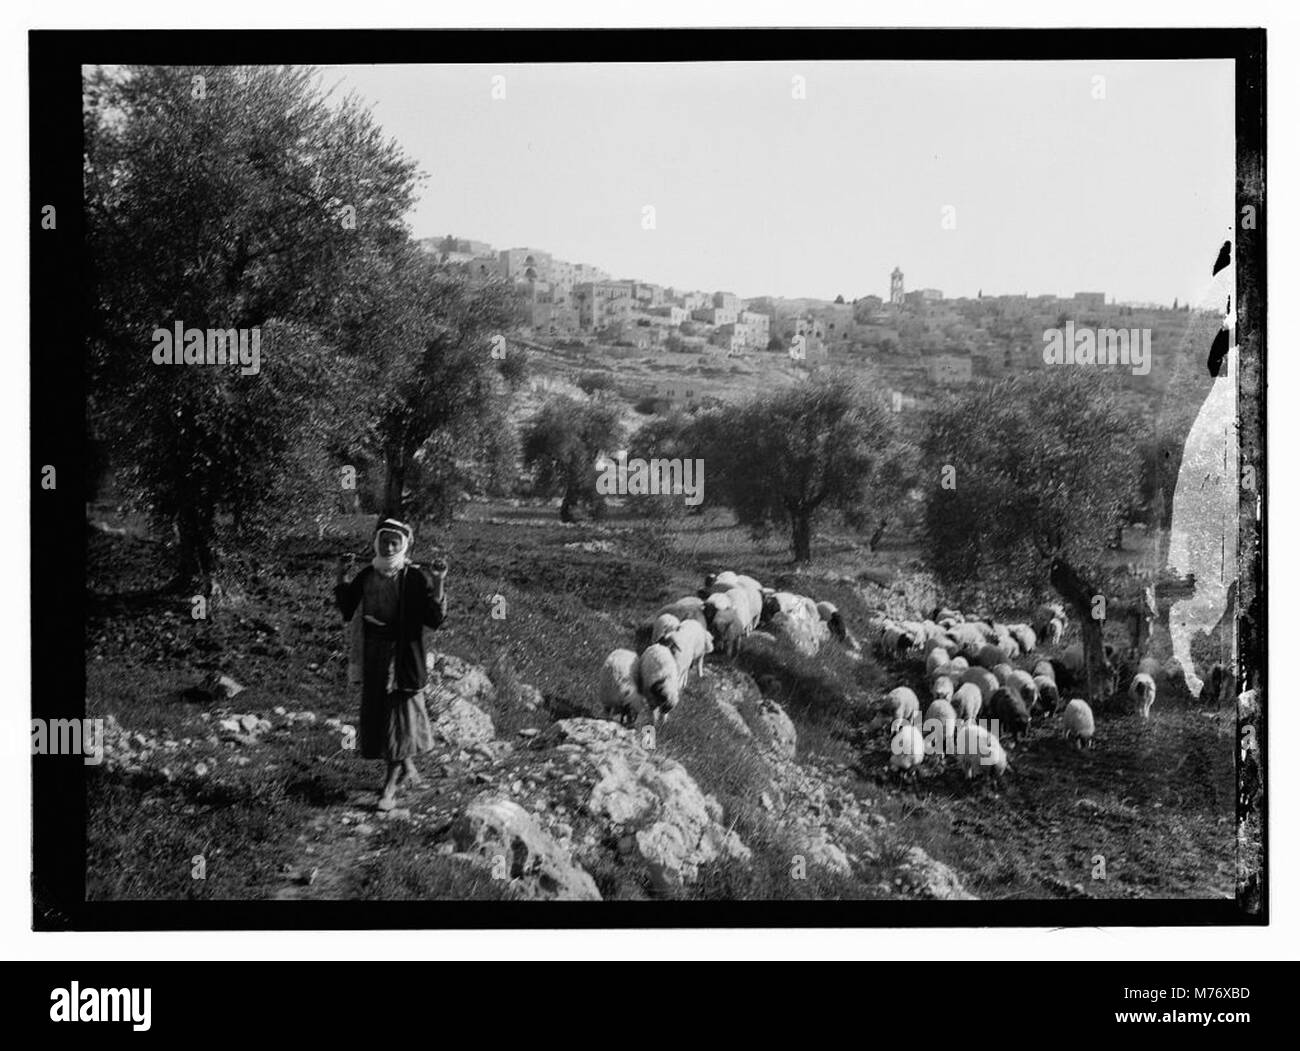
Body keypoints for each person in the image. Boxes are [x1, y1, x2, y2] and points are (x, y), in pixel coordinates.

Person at [334, 518, 448, 811]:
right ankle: (407, 767)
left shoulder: (414, 578)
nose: (388, 546)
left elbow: (434, 619)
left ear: (405, 545)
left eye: (394, 542)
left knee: (398, 716)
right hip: (374, 654)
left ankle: (389, 786)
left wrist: (438, 581)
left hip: (403, 657)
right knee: (381, 712)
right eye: (384, 541)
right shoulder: (368, 575)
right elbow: (347, 609)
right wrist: (342, 575)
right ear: (376, 543)